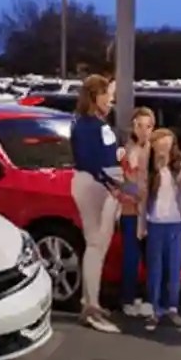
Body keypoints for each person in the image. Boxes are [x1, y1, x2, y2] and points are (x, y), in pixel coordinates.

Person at [69, 74, 131, 333]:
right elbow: (94, 161)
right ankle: (90, 308)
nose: (112, 101)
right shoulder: (89, 125)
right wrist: (116, 184)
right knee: (96, 244)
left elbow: (105, 157)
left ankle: (91, 301)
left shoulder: (91, 124)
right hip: (95, 186)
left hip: (98, 184)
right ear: (96, 96)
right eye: (109, 96)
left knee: (98, 245)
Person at [142, 128, 181, 331]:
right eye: (159, 146)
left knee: (173, 269)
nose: (163, 150)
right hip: (155, 224)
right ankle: (154, 309)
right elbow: (139, 194)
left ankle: (172, 307)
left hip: (175, 223)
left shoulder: (179, 168)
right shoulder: (148, 170)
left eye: (167, 146)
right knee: (155, 269)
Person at [119, 106, 155, 318]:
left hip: (151, 212)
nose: (143, 130)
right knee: (131, 257)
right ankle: (127, 299)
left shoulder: (155, 150)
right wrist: (133, 194)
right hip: (131, 211)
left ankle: (149, 298)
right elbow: (122, 181)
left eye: (148, 126)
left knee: (150, 257)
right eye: (139, 125)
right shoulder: (126, 151)